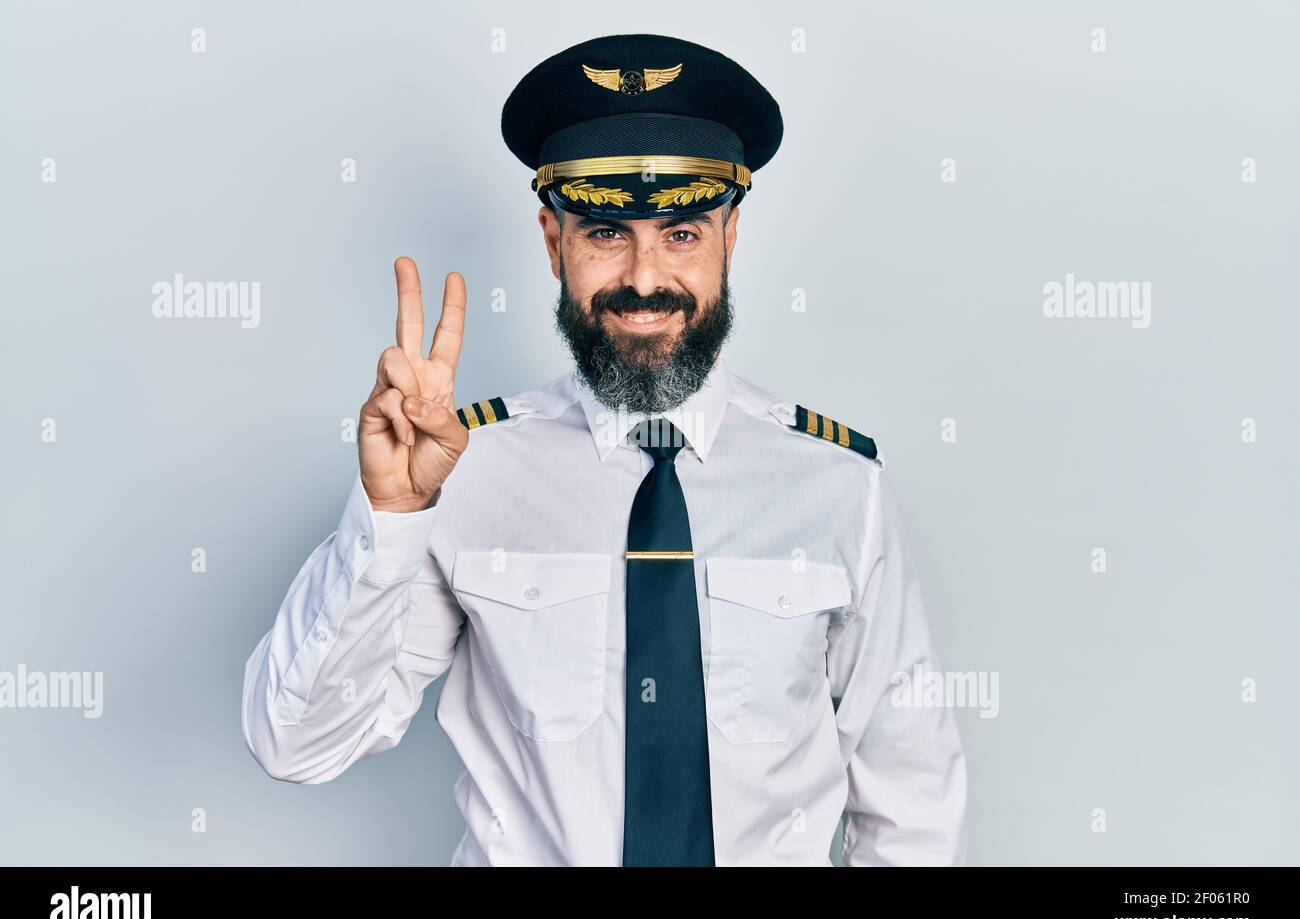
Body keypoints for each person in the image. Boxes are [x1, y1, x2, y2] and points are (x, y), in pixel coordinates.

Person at [241, 33, 967, 866]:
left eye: (684, 233)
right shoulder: (465, 471)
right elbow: (295, 744)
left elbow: (913, 808)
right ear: (554, 243)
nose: (646, 278)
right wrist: (393, 519)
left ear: (732, 236)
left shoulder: (841, 487)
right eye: (607, 234)